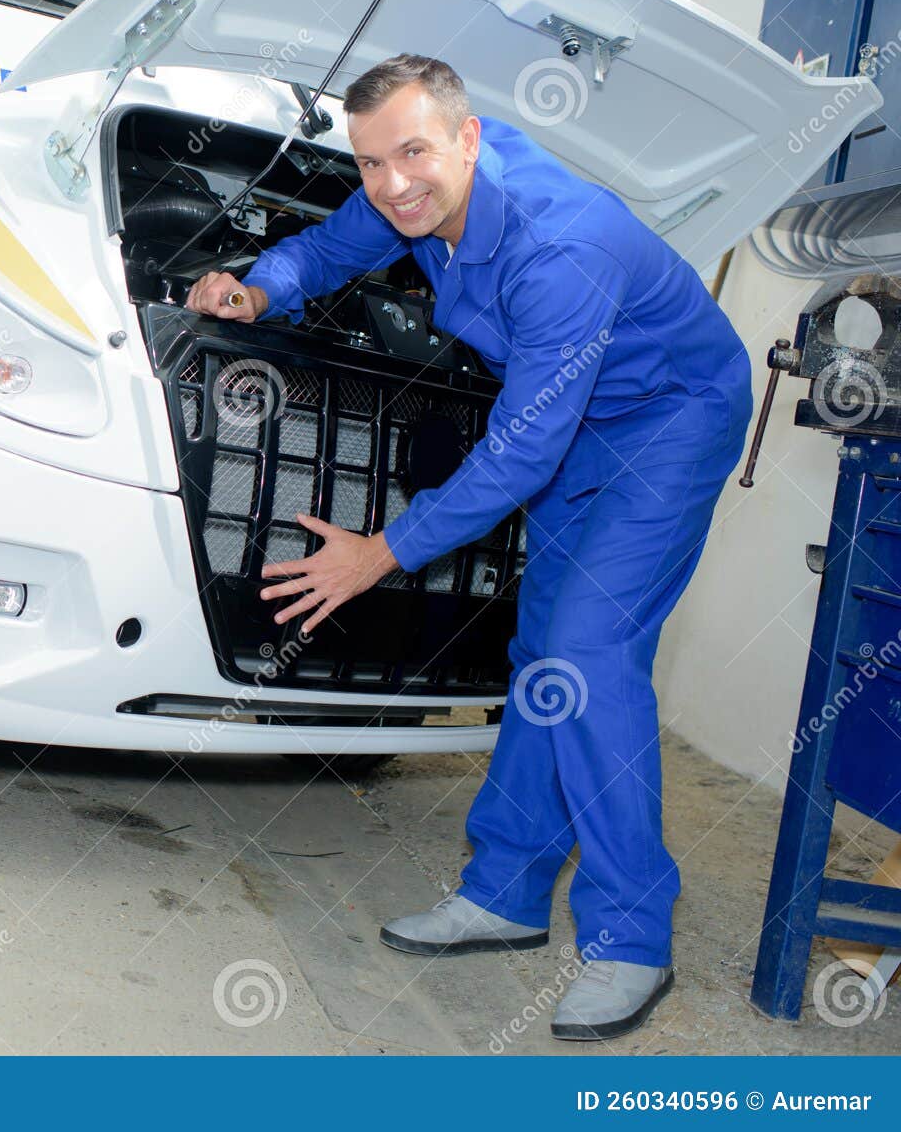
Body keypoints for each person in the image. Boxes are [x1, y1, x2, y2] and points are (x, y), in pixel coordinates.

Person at [186, 53, 752, 1042]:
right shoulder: (407, 199)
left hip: (671, 423)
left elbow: (522, 448)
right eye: (370, 161)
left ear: (469, 138)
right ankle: (505, 894)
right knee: (544, 659)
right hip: (576, 424)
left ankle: (631, 938)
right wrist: (258, 291)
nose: (391, 182)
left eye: (411, 153)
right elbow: (324, 251)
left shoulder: (559, 246)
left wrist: (381, 552)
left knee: (588, 656)